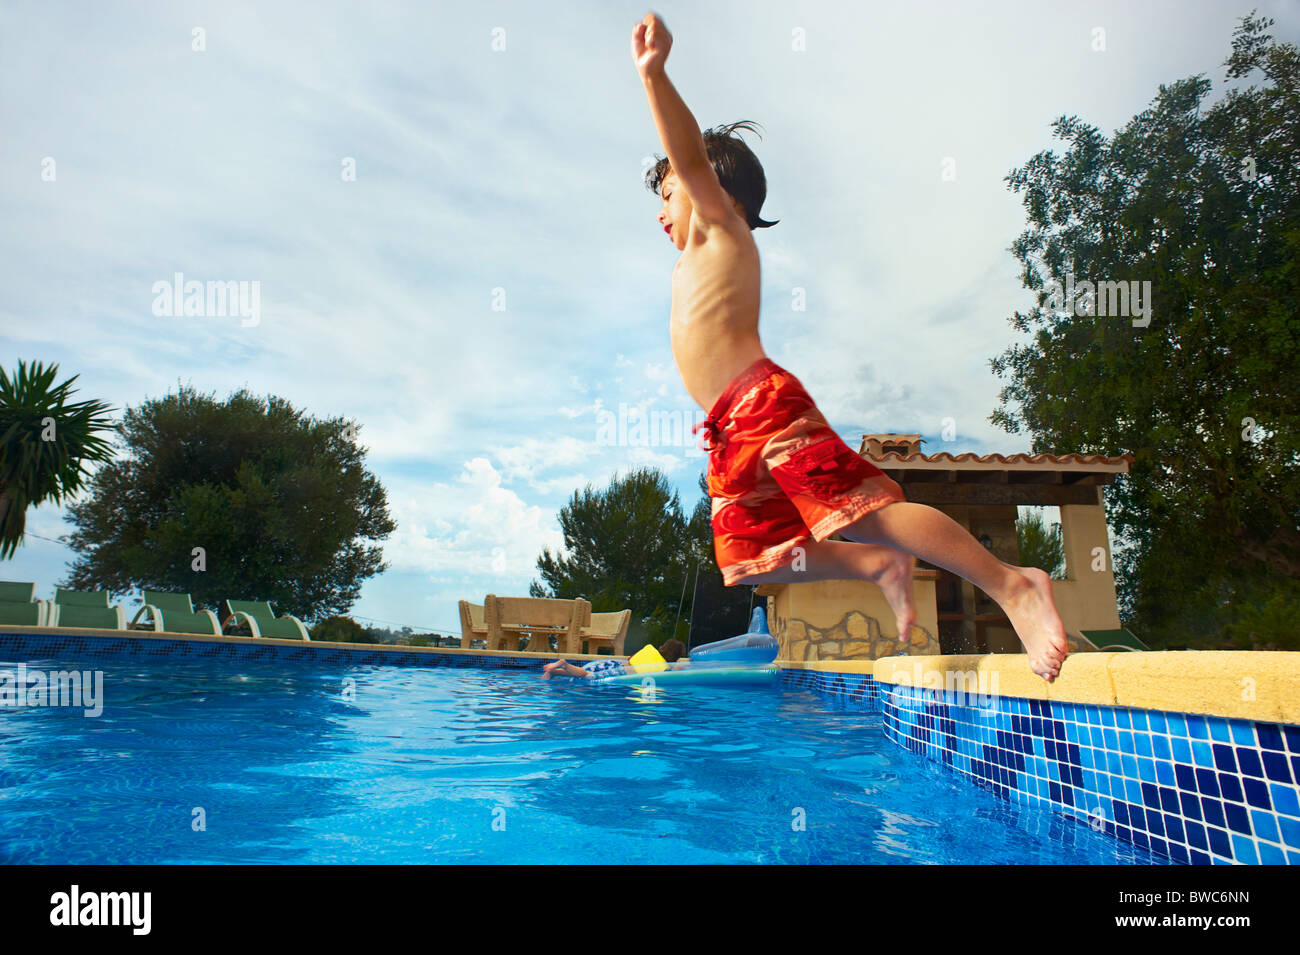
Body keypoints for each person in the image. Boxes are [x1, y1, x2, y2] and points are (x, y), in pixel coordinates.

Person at [630, 12, 1070, 681]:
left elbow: (689, 157)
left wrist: (655, 75)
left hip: (761, 402)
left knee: (868, 514)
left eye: (667, 194)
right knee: (753, 559)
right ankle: (875, 564)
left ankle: (1013, 584)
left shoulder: (719, 227)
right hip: (726, 426)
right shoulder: (691, 252)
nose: (663, 211)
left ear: (714, 192)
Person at [541, 639, 686, 679]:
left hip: (615, 664)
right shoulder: (664, 668)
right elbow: (673, 673)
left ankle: (555, 672)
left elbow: (631, 660)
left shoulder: (650, 650)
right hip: (619, 672)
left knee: (583, 671)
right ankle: (564, 665)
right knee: (588, 676)